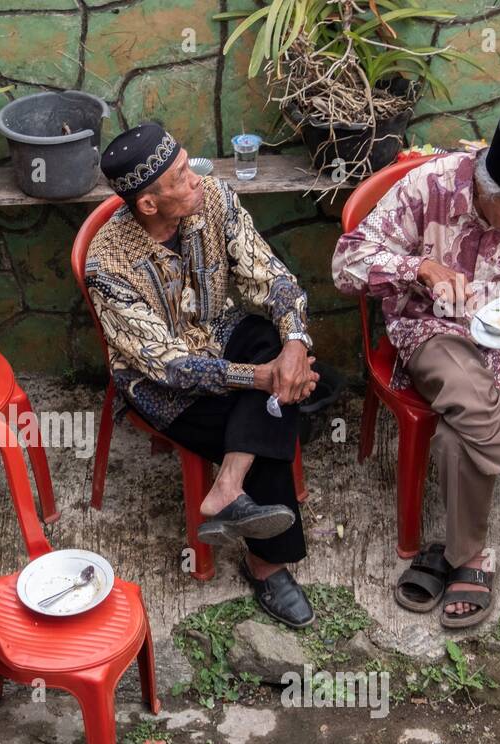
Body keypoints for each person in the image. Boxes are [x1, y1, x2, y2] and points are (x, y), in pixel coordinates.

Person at [332, 112, 500, 629]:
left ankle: (462, 553)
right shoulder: (428, 186)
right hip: (431, 327)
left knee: (457, 434)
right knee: (466, 389)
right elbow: (346, 265)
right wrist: (419, 268)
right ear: (484, 188)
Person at [83, 122, 322, 627]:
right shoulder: (107, 264)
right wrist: (263, 380)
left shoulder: (214, 198)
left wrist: (296, 343)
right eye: (179, 177)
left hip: (223, 331)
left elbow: (268, 275)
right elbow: (170, 365)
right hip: (162, 387)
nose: (196, 179)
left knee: (269, 348)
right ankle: (268, 565)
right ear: (148, 203)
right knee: (271, 405)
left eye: (188, 164)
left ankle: (227, 485)